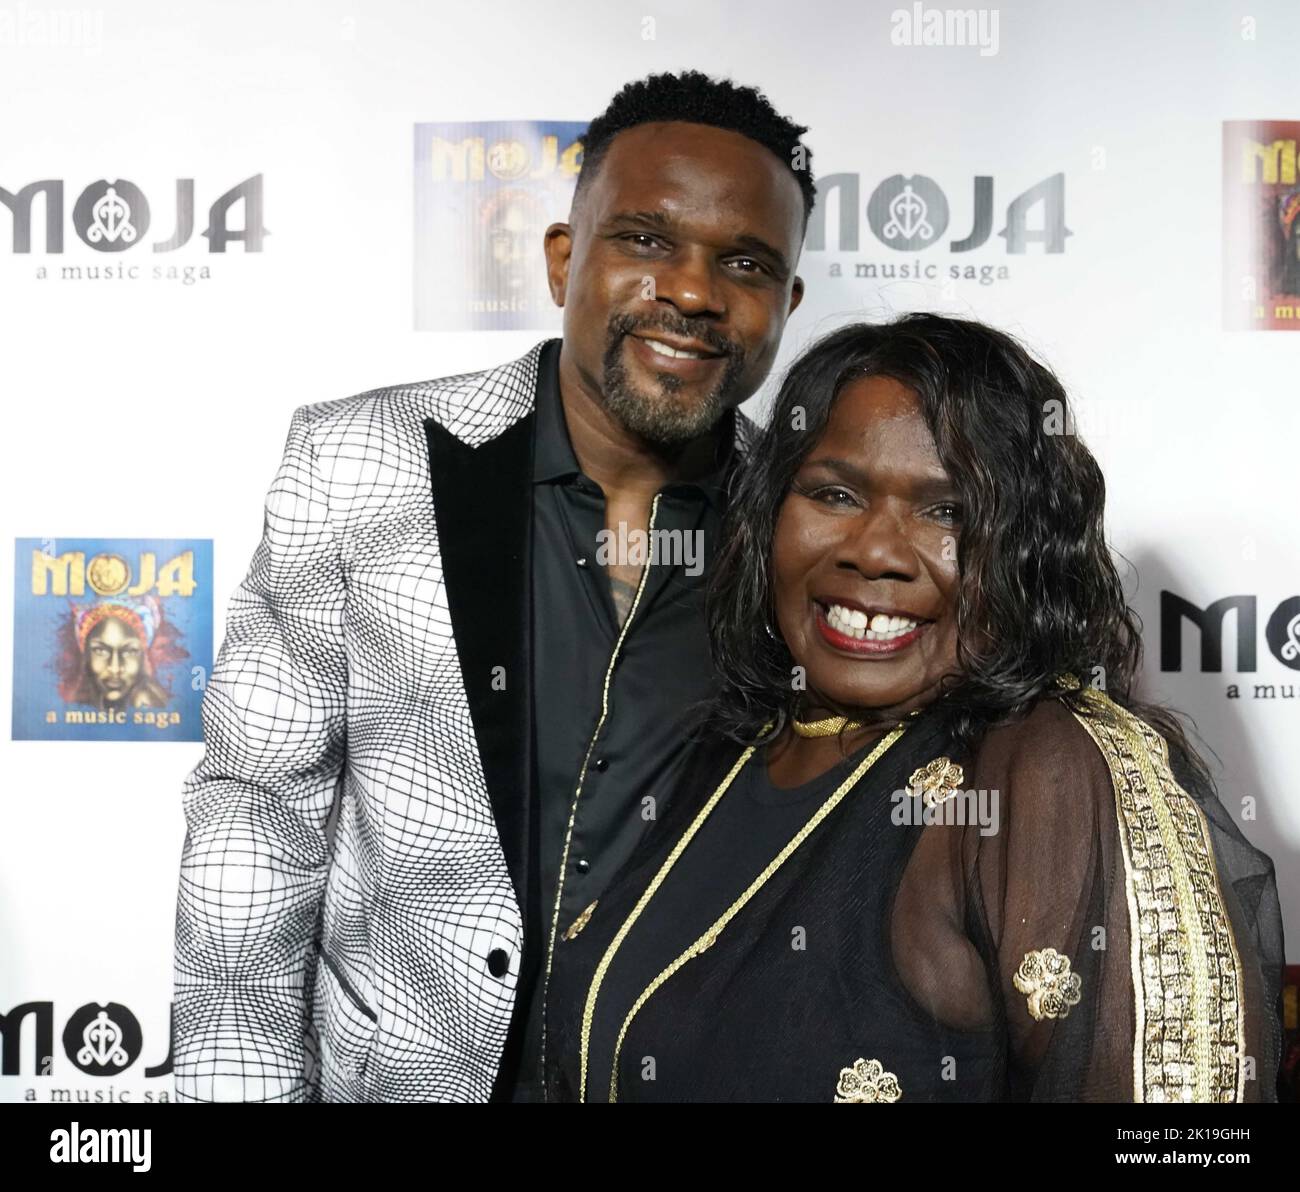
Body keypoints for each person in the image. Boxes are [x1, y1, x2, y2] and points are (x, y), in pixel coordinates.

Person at [171, 71, 813, 1102]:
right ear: (565, 260)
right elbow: (257, 816)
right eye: (645, 240)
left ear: (783, 305)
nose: (692, 291)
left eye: (741, 262)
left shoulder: (807, 531)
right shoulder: (359, 460)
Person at [543, 313, 1285, 1103]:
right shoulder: (730, 743)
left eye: (947, 512)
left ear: (1025, 548)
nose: (876, 550)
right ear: (768, 516)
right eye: (834, 493)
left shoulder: (1046, 771)